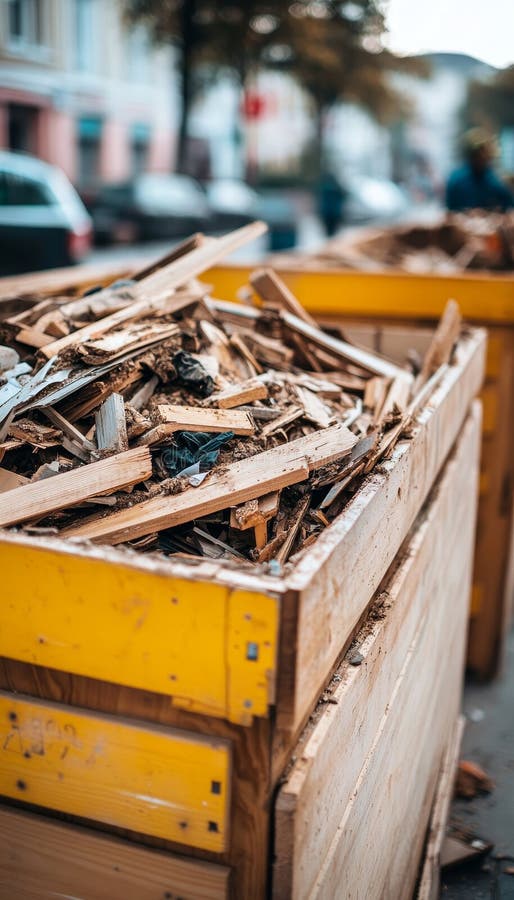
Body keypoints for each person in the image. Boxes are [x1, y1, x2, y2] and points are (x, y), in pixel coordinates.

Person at [446, 129, 513, 212]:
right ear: (471, 154)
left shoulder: (496, 180)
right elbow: (450, 210)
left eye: (486, 153)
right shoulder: (456, 180)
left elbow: (509, 207)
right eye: (479, 153)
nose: (484, 157)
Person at [317, 169, 346, 237]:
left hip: (326, 213)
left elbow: (319, 199)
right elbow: (343, 197)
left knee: (328, 233)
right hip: (335, 213)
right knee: (334, 233)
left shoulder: (323, 187)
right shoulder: (337, 187)